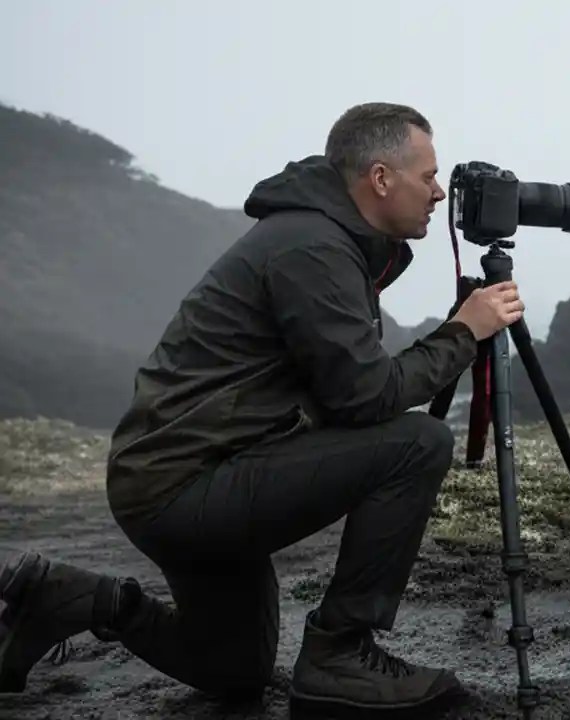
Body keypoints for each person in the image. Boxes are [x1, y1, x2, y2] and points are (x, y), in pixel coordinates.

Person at [0, 102, 522, 715]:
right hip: (184, 486)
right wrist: (463, 333)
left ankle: (76, 599)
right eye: (428, 176)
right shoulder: (312, 248)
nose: (437, 192)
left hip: (194, 472)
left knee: (234, 669)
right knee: (419, 443)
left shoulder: (323, 240)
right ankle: (339, 654)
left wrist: (456, 332)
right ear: (381, 178)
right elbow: (367, 396)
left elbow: (342, 390)